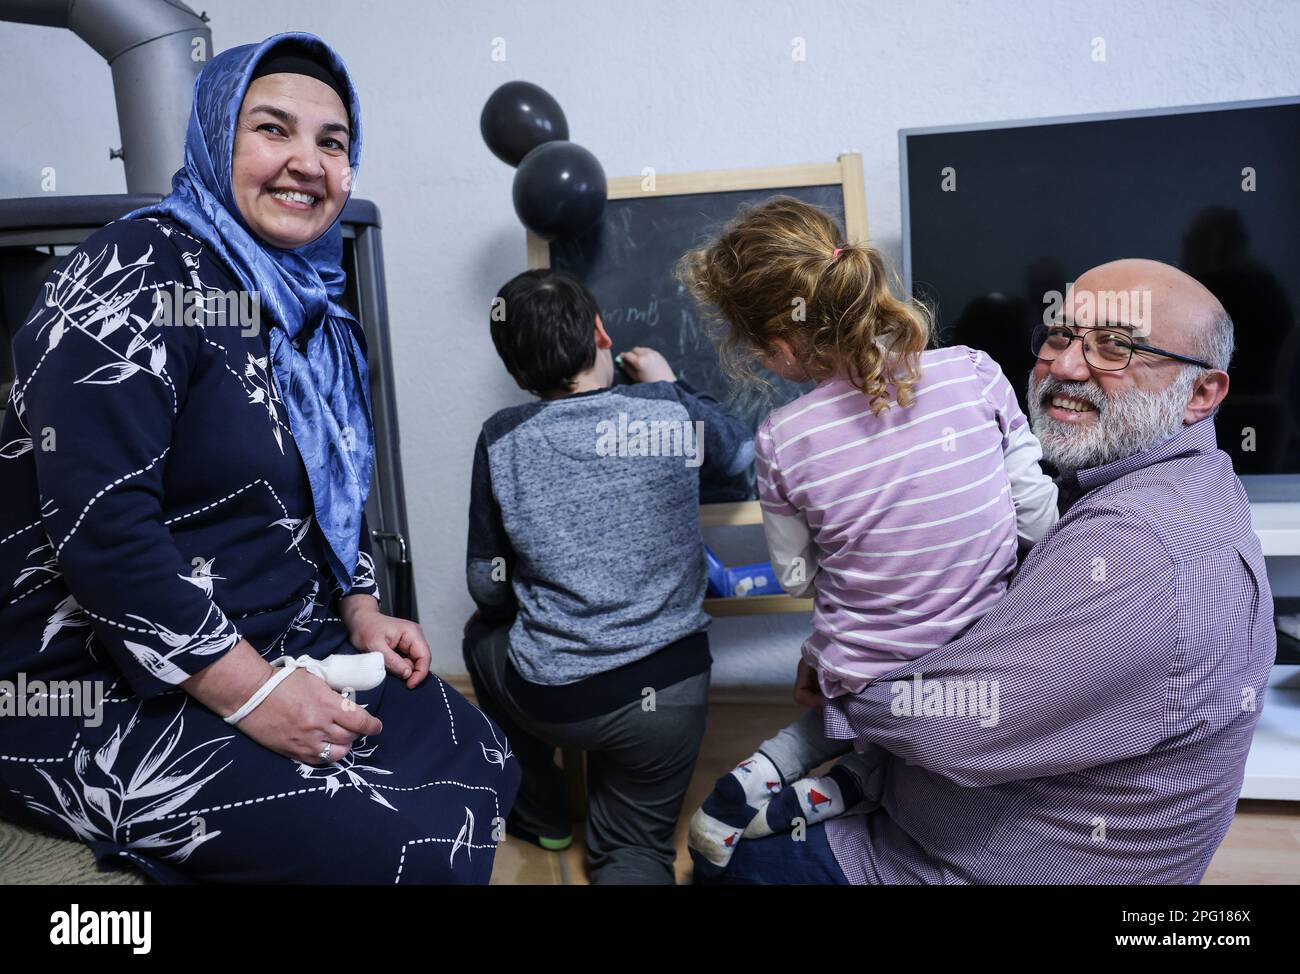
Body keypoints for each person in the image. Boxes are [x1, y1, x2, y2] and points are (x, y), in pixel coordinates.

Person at [0, 32, 518, 884]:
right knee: (394, 849)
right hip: (89, 683)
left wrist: (358, 605)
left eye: (333, 142)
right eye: (273, 130)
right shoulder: (133, 269)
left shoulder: (311, 304)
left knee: (484, 759)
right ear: (214, 139)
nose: (307, 163)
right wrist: (249, 694)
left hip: (286, 637)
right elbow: (103, 527)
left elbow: (330, 486)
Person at [698, 257, 1275, 884]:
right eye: (1061, 335)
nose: (1067, 365)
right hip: (937, 815)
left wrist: (844, 686)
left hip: (938, 864)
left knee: (726, 864)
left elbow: (953, 723)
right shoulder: (1151, 488)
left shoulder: (1151, 556)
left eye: (1116, 346)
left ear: (1201, 393)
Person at [675, 197, 1059, 877]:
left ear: (783, 345)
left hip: (867, 679)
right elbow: (1037, 519)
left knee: (863, 691)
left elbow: (802, 582)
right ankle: (838, 785)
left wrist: (838, 636)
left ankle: (774, 774)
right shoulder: (973, 371)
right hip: (979, 668)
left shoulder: (783, 440)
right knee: (906, 718)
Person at [462, 269, 752, 884]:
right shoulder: (666, 411)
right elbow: (741, 457)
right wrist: (673, 385)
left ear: (517, 373)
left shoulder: (501, 437)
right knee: (635, 852)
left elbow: (486, 586)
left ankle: (541, 809)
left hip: (557, 698)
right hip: (668, 695)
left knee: (478, 640)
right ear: (601, 331)